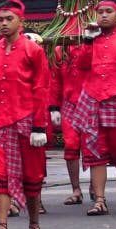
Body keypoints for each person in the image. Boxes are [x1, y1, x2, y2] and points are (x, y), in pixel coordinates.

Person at [0, 0, 49, 229]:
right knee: (0, 176)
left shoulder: (34, 50)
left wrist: (39, 125)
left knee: (32, 176)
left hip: (26, 121)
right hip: (0, 123)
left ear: (22, 21)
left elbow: (41, 88)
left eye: (9, 19)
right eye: (1, 20)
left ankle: (34, 225)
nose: (4, 24)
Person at [70, 0, 116, 215]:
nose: (104, 16)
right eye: (100, 12)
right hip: (92, 99)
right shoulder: (91, 39)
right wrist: (88, 42)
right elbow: (80, 65)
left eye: (109, 11)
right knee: (95, 151)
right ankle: (99, 200)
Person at [49, 44, 88, 205]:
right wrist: (54, 107)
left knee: (91, 147)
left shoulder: (92, 44)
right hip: (68, 102)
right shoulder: (59, 50)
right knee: (71, 145)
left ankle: (96, 187)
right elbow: (55, 80)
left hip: (90, 100)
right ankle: (76, 189)